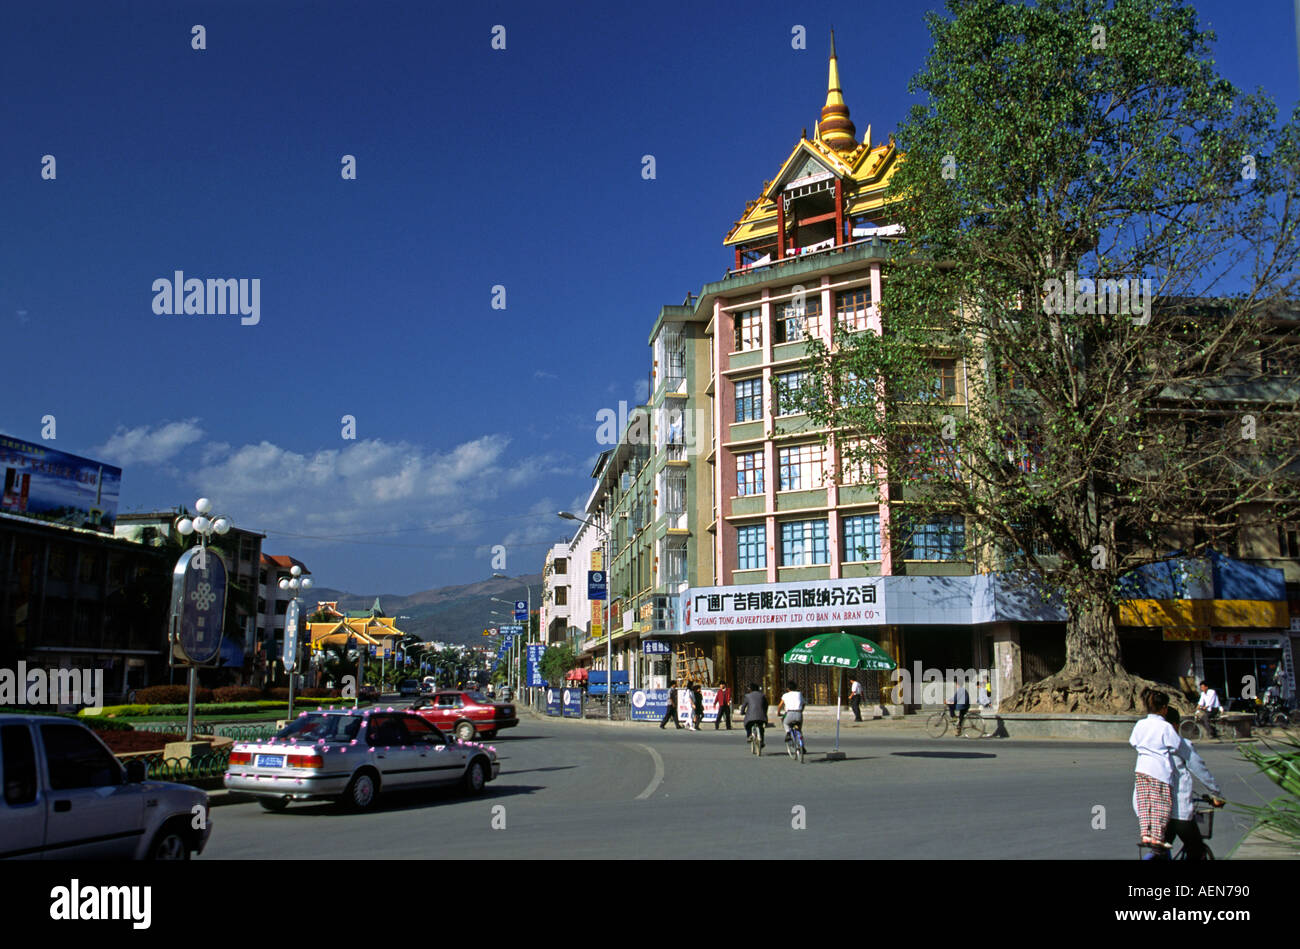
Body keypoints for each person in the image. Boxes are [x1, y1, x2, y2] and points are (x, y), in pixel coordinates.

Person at [1162, 707, 1226, 860]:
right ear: (1176, 725)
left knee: (1162, 846)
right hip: (1178, 810)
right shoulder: (1182, 745)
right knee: (1196, 849)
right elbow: (1201, 771)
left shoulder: (1151, 747)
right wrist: (1217, 794)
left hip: (1155, 808)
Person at [1129, 689, 1182, 855]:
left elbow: (1133, 742)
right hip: (1159, 770)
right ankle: (1158, 837)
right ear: (1164, 708)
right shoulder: (1165, 726)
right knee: (1161, 804)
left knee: (1145, 803)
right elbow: (1176, 745)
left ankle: (1146, 834)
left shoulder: (1140, 724)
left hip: (1142, 768)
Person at [740, 682, 768, 748]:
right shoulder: (762, 695)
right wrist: (764, 712)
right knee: (761, 728)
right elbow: (766, 705)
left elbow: (744, 706)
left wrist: (742, 712)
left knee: (748, 725)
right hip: (761, 716)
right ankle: (762, 741)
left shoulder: (748, 696)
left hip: (750, 717)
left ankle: (749, 735)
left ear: (750, 689)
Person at [777, 680, 804, 745]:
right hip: (799, 714)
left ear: (787, 689)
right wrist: (801, 710)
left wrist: (778, 713)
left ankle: (788, 733)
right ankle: (802, 746)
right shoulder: (799, 694)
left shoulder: (785, 695)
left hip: (789, 713)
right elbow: (803, 704)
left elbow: (780, 705)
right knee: (799, 729)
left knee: (785, 723)